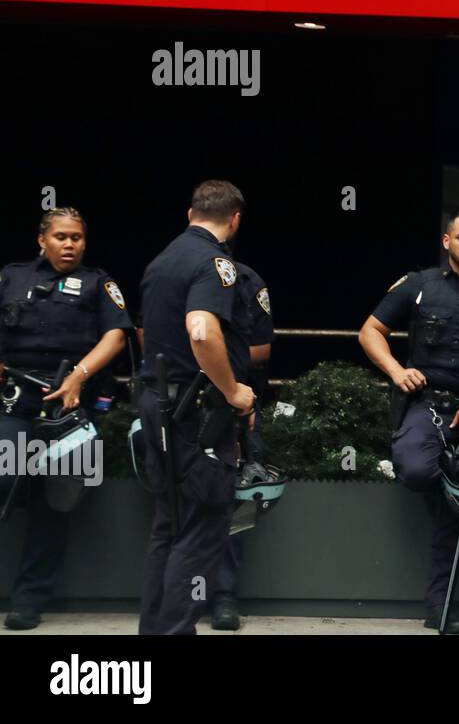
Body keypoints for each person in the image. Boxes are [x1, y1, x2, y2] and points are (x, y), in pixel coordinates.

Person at [1, 208, 130, 631]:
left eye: (76, 237)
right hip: (15, 402)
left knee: (55, 501)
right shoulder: (12, 276)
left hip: (71, 406)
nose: (69, 244)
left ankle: (28, 601)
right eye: (60, 236)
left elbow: (115, 335)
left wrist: (80, 375)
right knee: (4, 479)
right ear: (42, 240)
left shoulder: (100, 282)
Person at [359, 211, 459, 634]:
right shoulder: (418, 285)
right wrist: (396, 372)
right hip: (427, 405)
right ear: (446, 241)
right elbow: (370, 332)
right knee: (419, 471)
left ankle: (443, 609)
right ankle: (450, 500)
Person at [137, 180, 255, 636]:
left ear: (190, 214)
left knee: (168, 527)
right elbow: (202, 331)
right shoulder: (216, 263)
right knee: (202, 525)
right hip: (195, 412)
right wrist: (233, 391)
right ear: (235, 219)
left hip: (158, 402)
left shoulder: (162, 259)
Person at [209, 260, 275, 631]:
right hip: (183, 400)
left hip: (238, 400)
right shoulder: (175, 270)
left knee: (237, 501)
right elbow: (144, 335)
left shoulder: (248, 279)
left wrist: (215, 363)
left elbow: (262, 349)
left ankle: (225, 596)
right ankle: (178, 594)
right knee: (181, 500)